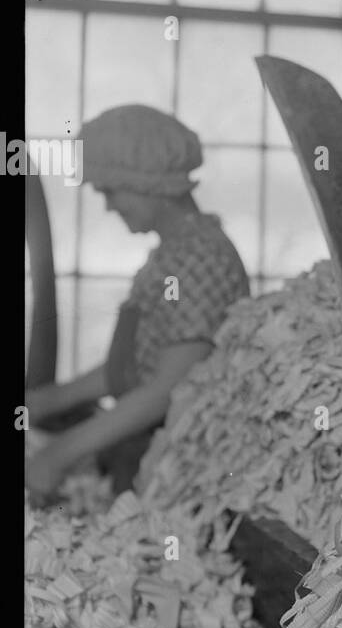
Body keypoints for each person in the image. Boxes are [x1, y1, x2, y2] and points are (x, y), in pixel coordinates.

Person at [26, 104, 249, 501]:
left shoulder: (200, 258)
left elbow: (168, 387)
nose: (109, 206)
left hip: (181, 473)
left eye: (109, 191)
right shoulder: (175, 253)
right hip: (149, 456)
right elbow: (138, 365)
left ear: (147, 183)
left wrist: (57, 456)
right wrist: (48, 401)